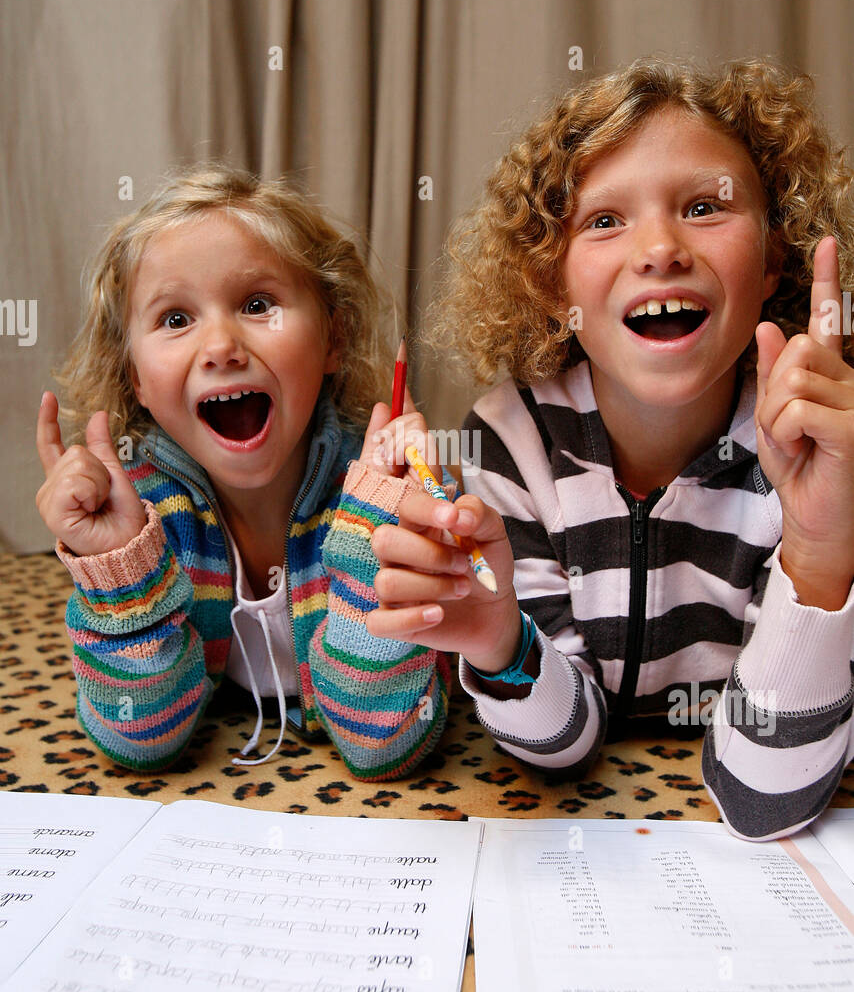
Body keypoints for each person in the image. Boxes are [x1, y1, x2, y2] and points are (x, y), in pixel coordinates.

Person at [368, 56, 854, 840]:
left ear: (773, 261)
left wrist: (823, 551)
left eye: (704, 207)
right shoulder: (511, 441)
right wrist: (500, 644)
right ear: (552, 287)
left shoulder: (823, 458)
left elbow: (766, 797)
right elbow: (564, 748)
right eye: (604, 220)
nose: (660, 248)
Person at [35, 164, 450, 778]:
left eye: (258, 305)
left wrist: (373, 542)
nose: (221, 346)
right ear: (136, 379)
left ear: (333, 338)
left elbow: (384, 744)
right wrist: (121, 571)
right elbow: (142, 743)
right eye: (176, 319)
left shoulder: (392, 491)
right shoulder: (142, 513)